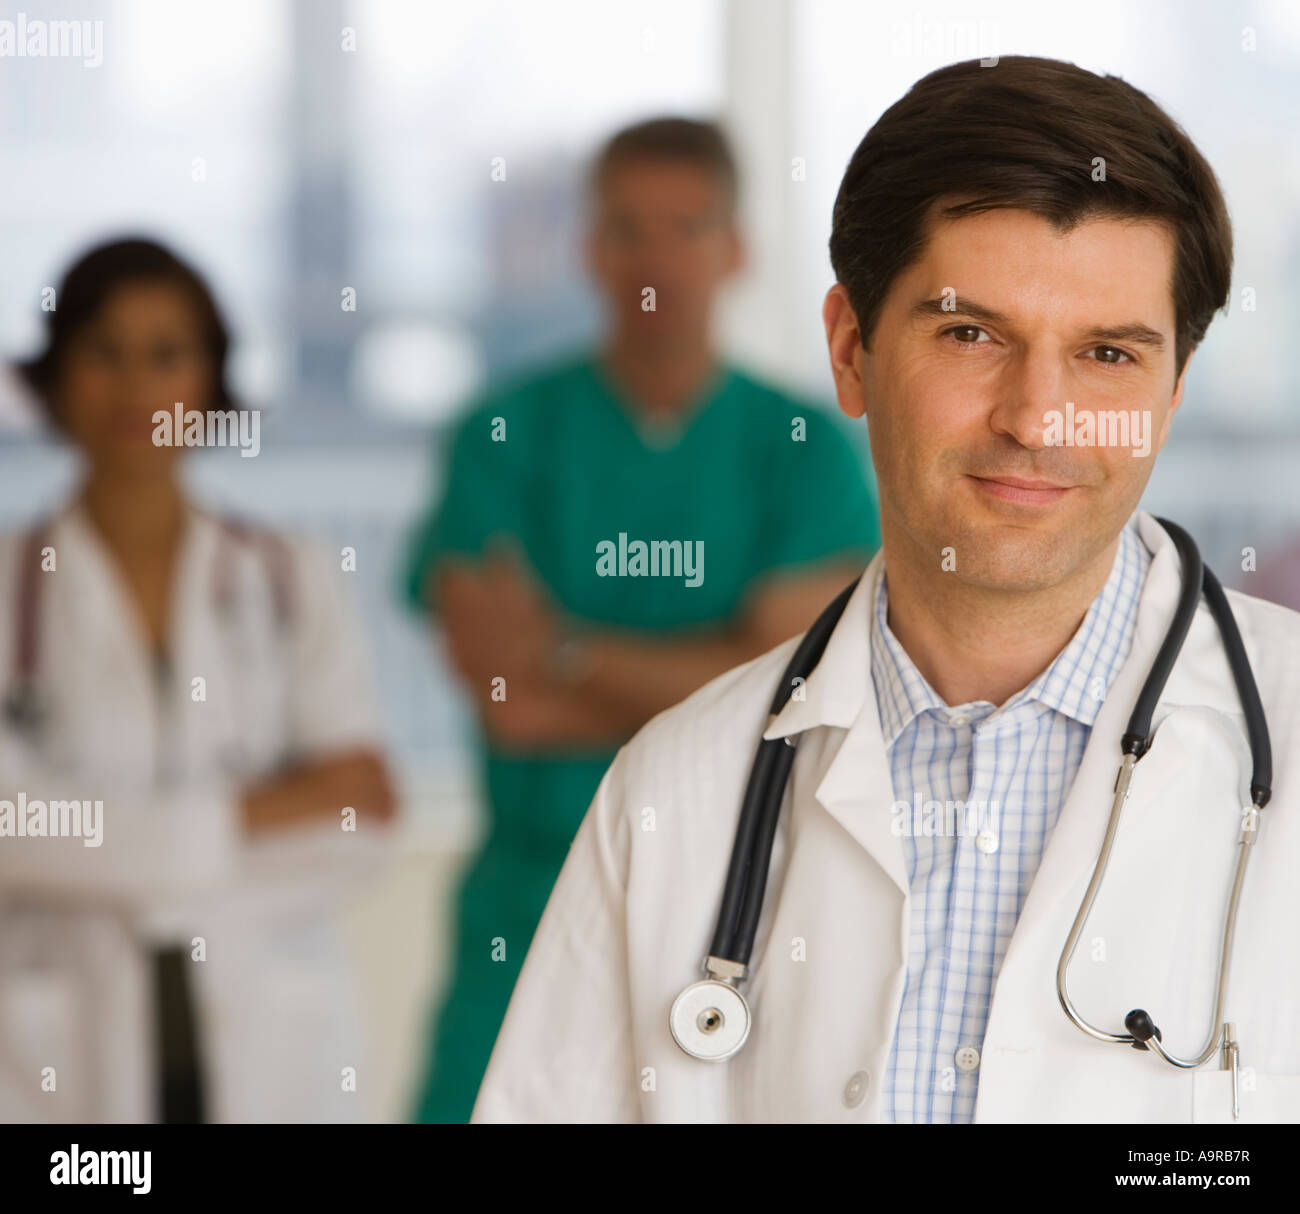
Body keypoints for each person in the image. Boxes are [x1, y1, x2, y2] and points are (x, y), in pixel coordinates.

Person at [471, 56, 1300, 1124]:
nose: (1038, 419)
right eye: (972, 335)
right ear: (851, 349)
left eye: (1107, 353)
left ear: (1171, 392)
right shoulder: (671, 794)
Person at [402, 117, 881, 1123]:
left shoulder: (800, 445)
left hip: (742, 900)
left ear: (736, 248)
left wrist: (567, 648)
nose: (655, 258)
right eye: (627, 228)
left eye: (686, 226)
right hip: (524, 902)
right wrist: (719, 675)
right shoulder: (505, 434)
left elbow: (793, 697)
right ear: (590, 248)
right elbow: (509, 702)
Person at [0, 237, 397, 1122]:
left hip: (269, 1025)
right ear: (57, 379)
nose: (137, 387)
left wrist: (104, 845)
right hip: (58, 1043)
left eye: (168, 354)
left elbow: (361, 812)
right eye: (103, 352)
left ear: (210, 384)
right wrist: (248, 816)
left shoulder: (289, 574)